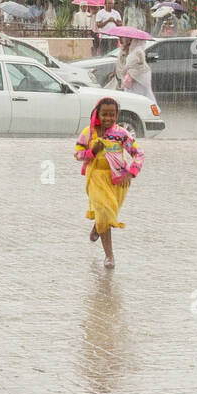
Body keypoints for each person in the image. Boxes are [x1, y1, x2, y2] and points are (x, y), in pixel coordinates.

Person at [74, 97, 144, 268]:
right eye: (104, 114)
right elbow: (77, 154)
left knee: (107, 213)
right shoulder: (88, 133)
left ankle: (98, 226)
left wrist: (131, 173)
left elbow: (139, 153)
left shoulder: (121, 133)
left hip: (118, 181)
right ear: (97, 113)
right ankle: (109, 256)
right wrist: (91, 152)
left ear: (116, 115)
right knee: (105, 211)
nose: (108, 118)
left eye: (112, 115)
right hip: (96, 177)